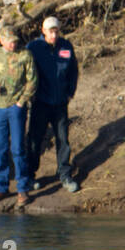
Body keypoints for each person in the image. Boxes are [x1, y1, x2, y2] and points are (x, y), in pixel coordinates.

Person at [0, 26, 38, 207]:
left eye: (15, 40)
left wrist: (22, 101)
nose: (13, 44)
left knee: (17, 148)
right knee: (0, 148)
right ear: (1, 40)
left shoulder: (25, 55)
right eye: (10, 41)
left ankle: (22, 189)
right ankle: (1, 187)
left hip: (16, 107)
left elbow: (33, 80)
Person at [26, 16, 80, 194]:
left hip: (60, 103)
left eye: (56, 31)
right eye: (50, 31)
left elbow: (73, 70)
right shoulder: (34, 47)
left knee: (63, 140)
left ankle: (65, 175)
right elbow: (24, 69)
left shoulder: (66, 46)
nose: (54, 34)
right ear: (43, 31)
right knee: (35, 139)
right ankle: (29, 175)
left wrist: (70, 92)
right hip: (40, 102)